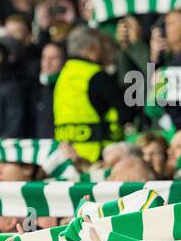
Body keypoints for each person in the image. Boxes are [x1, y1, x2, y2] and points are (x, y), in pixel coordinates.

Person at [52, 26, 130, 162]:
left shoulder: (62, 76)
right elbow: (126, 111)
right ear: (93, 47)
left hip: (68, 155)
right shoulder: (97, 76)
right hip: (99, 156)